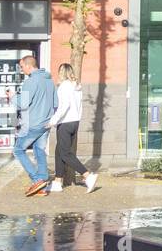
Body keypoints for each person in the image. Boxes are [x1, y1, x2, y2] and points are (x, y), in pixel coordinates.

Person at [46, 63, 98, 193]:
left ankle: (87, 176)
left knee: (65, 153)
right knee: (59, 151)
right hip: (74, 122)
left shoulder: (64, 86)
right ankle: (58, 182)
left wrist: (53, 121)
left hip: (65, 122)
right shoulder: (77, 87)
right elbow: (78, 106)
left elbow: (64, 106)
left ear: (61, 73)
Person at [13, 55, 57, 196]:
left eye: (22, 67)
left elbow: (23, 103)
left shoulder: (30, 81)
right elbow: (56, 104)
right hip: (46, 123)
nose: (21, 69)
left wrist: (12, 97)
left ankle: (37, 179)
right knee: (39, 151)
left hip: (32, 124)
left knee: (18, 150)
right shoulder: (50, 81)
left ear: (29, 65)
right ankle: (42, 187)